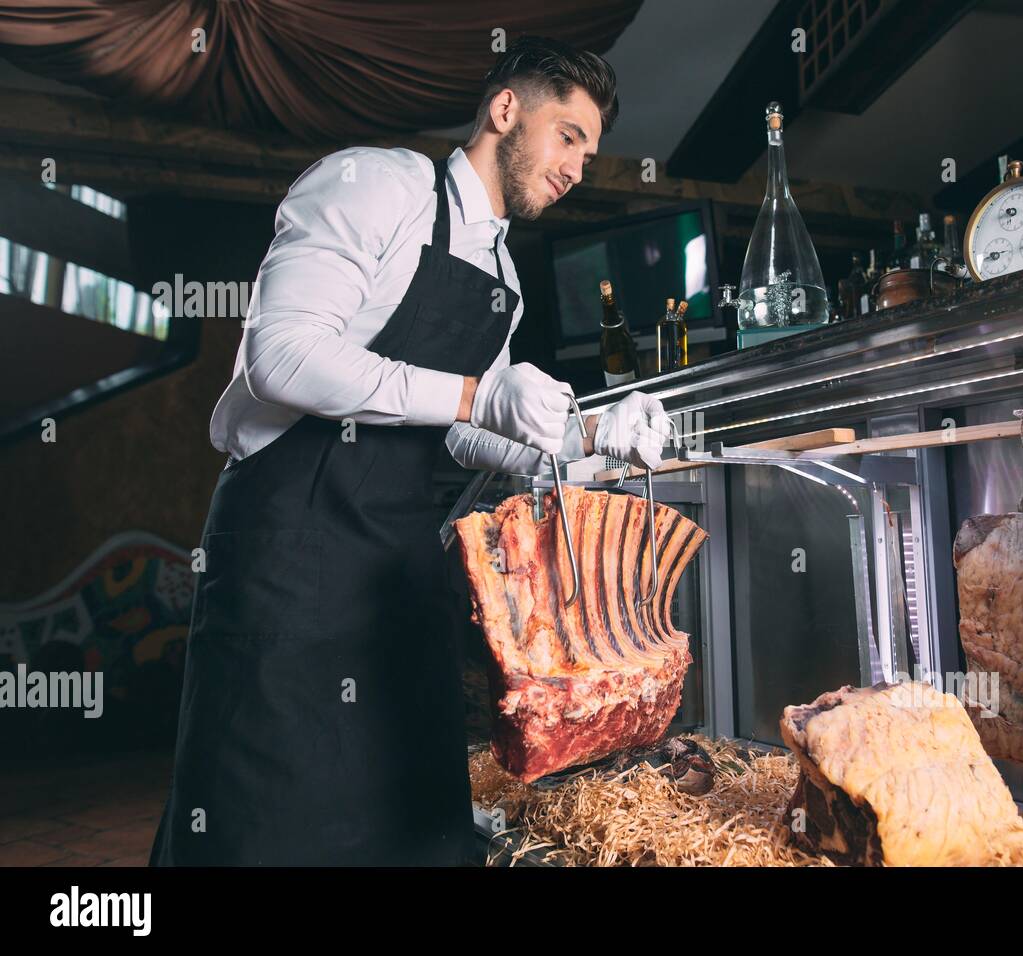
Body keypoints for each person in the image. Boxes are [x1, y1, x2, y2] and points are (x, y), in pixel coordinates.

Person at [150, 35, 671, 865]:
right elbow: (281, 356)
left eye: (590, 152)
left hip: (396, 565)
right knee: (262, 805)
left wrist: (594, 433)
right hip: (288, 551)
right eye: (568, 136)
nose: (579, 168)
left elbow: (465, 432)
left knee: (409, 808)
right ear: (506, 109)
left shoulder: (505, 272)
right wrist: (476, 393)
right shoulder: (373, 187)